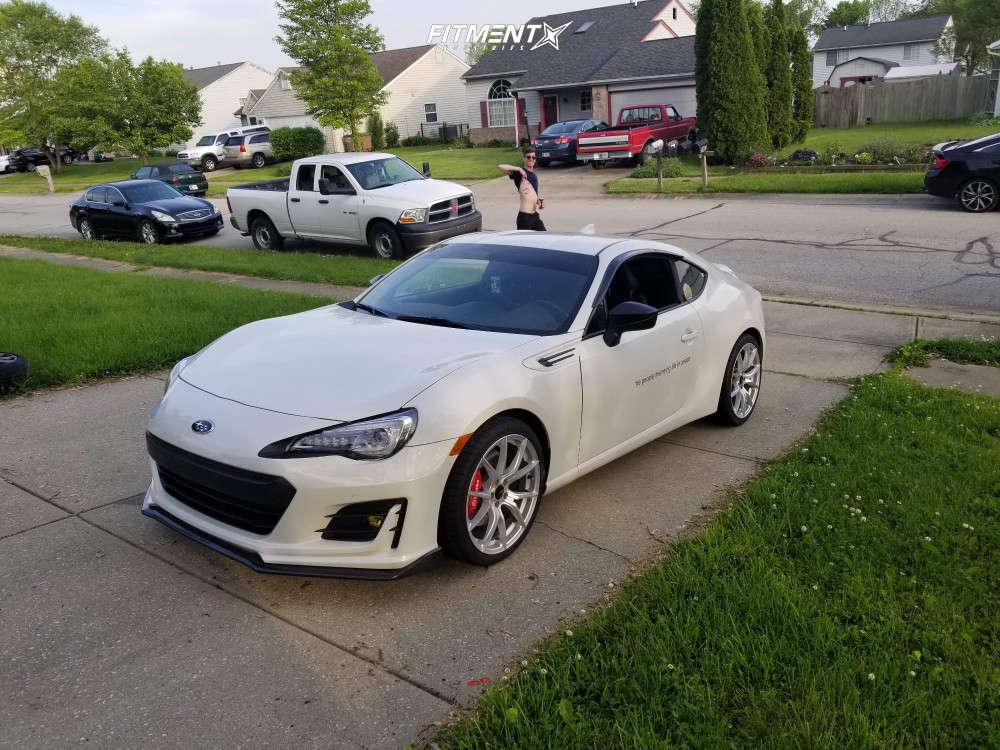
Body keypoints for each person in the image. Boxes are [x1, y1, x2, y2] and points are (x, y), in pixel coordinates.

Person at [498, 148, 546, 231]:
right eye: (528, 157)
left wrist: (539, 202)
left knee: (544, 237)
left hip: (535, 216)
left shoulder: (534, 176)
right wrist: (519, 169)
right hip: (525, 217)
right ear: (524, 159)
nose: (531, 159)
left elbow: (533, 195)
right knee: (524, 239)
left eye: (533, 157)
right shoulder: (520, 173)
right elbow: (500, 167)